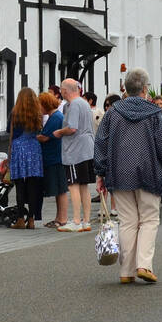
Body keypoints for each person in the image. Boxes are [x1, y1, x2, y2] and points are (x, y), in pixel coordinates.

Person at [93, 67, 162, 284]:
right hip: (148, 171)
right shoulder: (154, 114)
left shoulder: (113, 112)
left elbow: (100, 143)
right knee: (149, 219)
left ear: (126, 89)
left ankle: (126, 271)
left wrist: (100, 172)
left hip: (119, 172)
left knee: (127, 221)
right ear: (145, 89)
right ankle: (144, 265)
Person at [54, 78, 95, 231]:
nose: (61, 92)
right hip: (87, 149)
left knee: (73, 185)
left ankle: (76, 221)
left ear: (65, 90)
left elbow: (72, 128)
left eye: (61, 90)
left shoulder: (74, 105)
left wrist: (59, 132)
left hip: (75, 150)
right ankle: (86, 221)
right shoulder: (84, 103)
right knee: (84, 185)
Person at [6, 89, 45, 230]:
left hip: (18, 148)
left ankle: (20, 219)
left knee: (20, 186)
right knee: (33, 185)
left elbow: (11, 134)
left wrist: (9, 155)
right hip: (34, 148)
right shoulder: (37, 114)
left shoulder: (15, 113)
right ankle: (32, 219)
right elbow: (40, 131)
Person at [37, 91, 72, 230]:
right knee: (58, 189)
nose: (38, 108)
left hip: (56, 157)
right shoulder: (55, 116)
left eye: (40, 105)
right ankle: (58, 218)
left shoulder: (55, 117)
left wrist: (33, 137)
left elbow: (44, 137)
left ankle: (62, 219)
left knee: (61, 189)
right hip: (55, 156)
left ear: (45, 104)